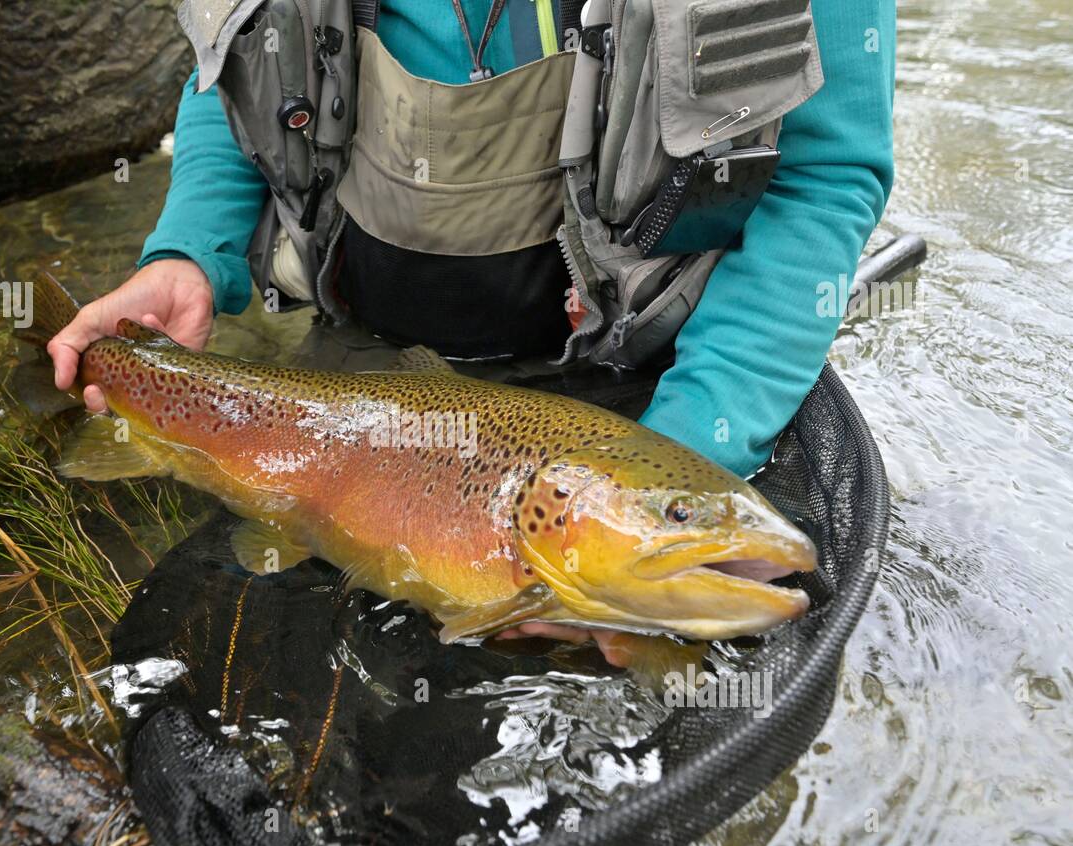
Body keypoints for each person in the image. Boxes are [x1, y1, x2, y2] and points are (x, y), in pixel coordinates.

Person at [49, 0, 893, 486]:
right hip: (362, 365)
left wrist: (673, 470)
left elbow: (820, 176)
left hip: (650, 387)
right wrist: (187, 254)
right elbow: (236, 61)